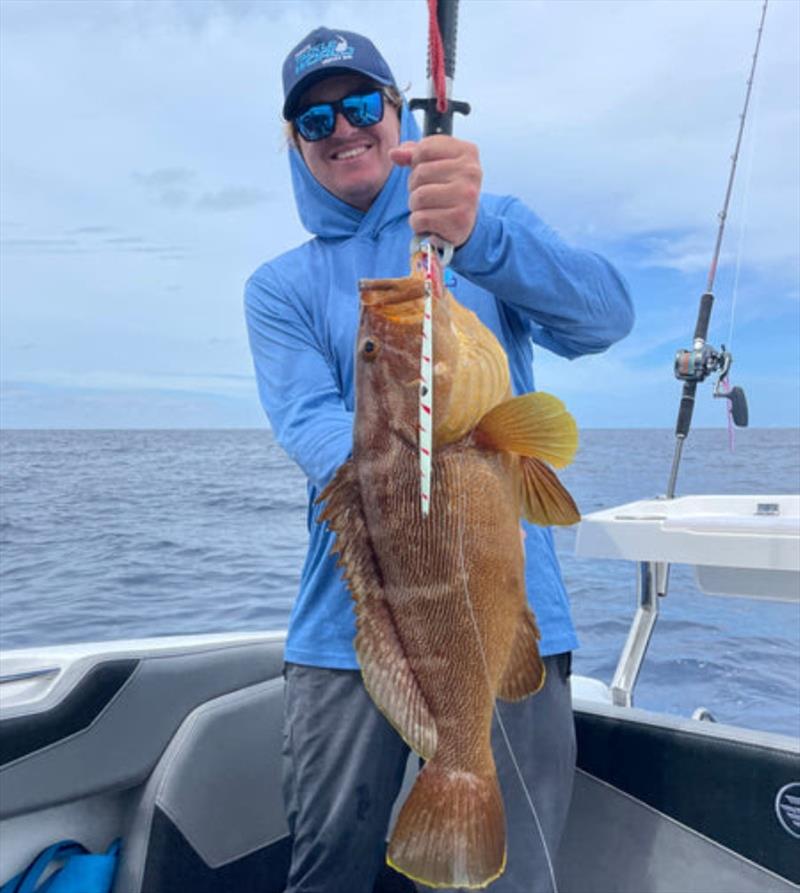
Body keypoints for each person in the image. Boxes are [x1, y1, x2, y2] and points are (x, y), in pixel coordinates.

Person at [245, 26, 634, 893]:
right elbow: (305, 421)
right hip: (342, 633)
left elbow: (607, 319)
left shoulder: (483, 233)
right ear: (297, 145)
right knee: (327, 869)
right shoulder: (279, 287)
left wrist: (482, 233)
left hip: (506, 617)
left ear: (396, 111)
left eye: (358, 105)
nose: (341, 128)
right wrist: (405, 453)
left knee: (516, 875)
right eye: (314, 120)